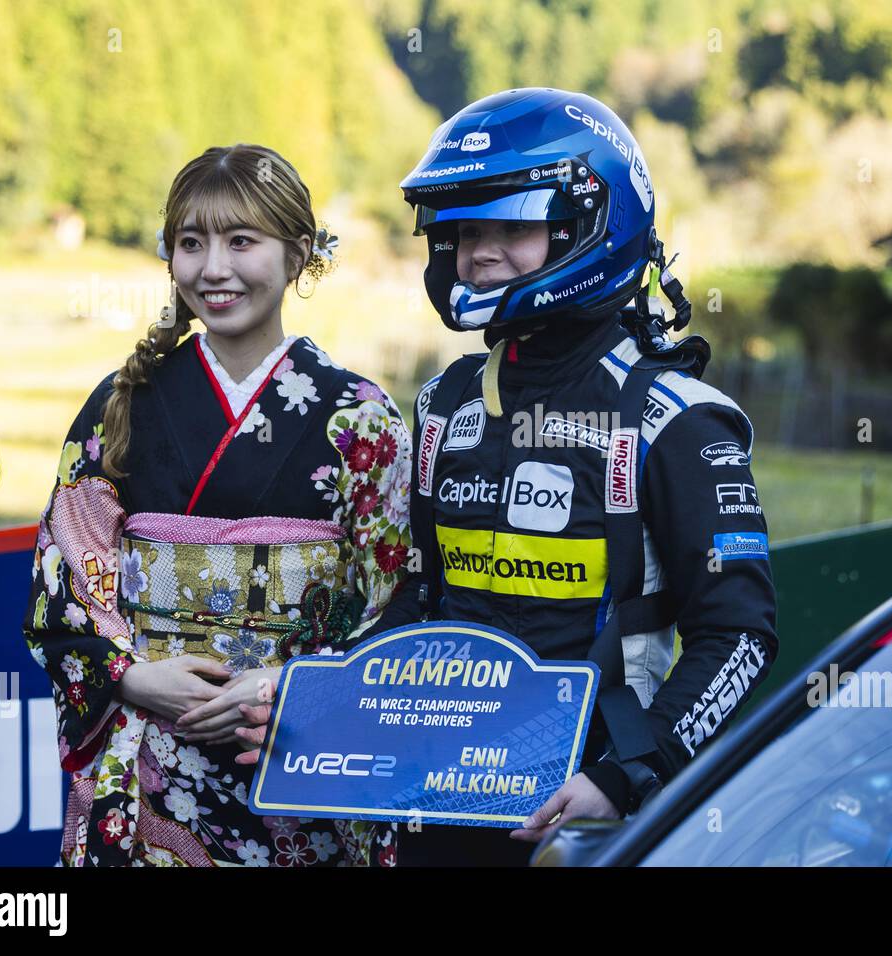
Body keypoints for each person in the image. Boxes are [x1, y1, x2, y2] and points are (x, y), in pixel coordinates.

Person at [243, 88, 780, 866]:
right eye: (463, 232)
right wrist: (323, 705)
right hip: (441, 796)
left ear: (590, 222)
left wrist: (628, 773)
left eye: (513, 226)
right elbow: (415, 604)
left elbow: (739, 636)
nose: (479, 253)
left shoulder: (676, 417)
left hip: (598, 812)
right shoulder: (443, 401)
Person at [22, 144, 410, 867]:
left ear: (298, 256)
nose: (214, 269)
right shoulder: (122, 404)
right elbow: (65, 583)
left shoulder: (361, 417)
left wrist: (294, 688)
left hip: (300, 763)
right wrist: (134, 677)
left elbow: (396, 604)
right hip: (149, 766)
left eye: (242, 241)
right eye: (191, 243)